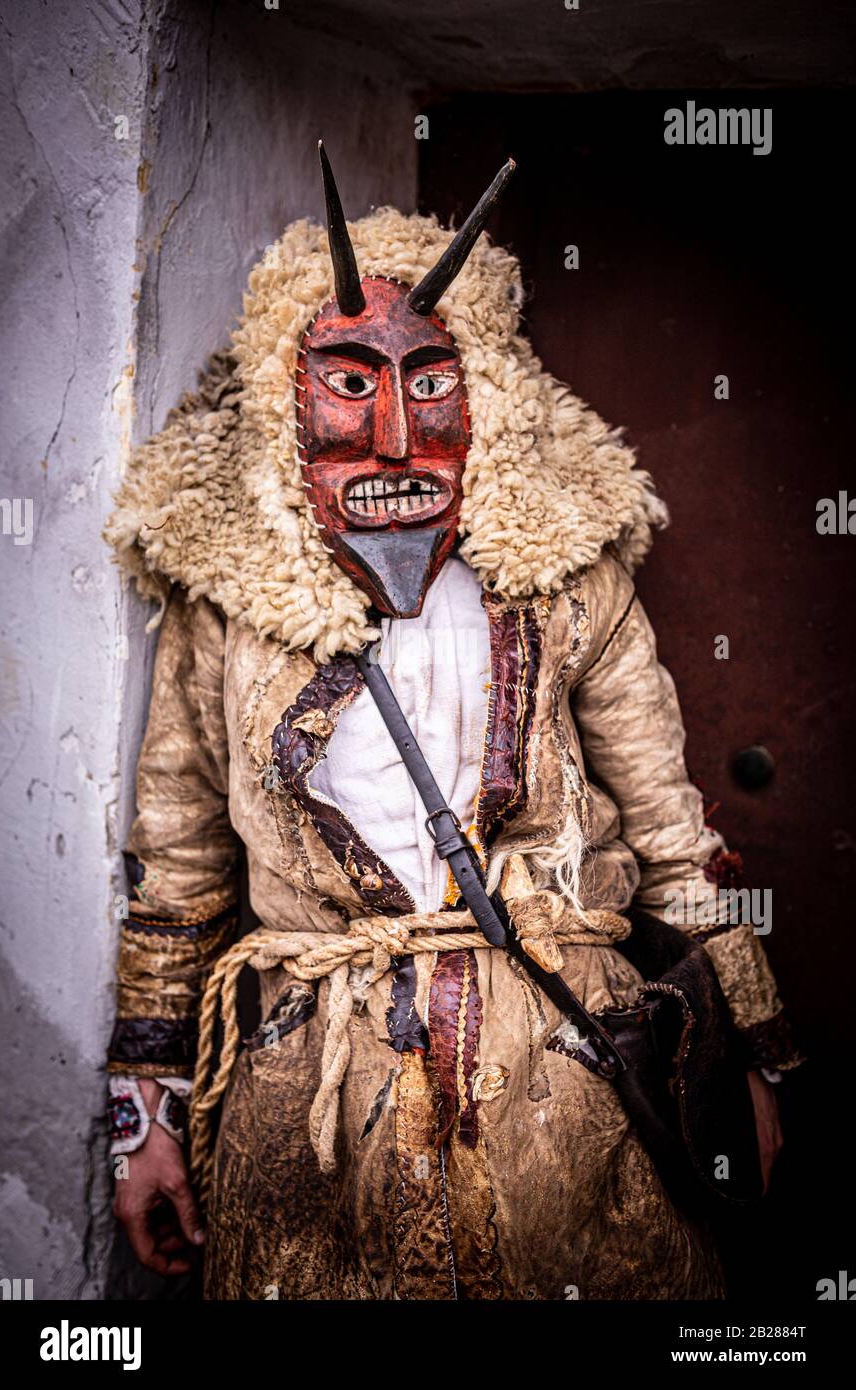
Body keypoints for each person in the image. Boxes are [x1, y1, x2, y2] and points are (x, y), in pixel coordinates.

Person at [105, 148, 799, 1299]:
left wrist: (750, 1067)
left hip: (565, 1094)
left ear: (488, 394)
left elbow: (672, 834)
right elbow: (176, 874)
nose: (390, 439)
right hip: (312, 1120)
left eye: (428, 382)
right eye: (346, 380)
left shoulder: (567, 581)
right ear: (284, 397)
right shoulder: (224, 610)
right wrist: (146, 1120)